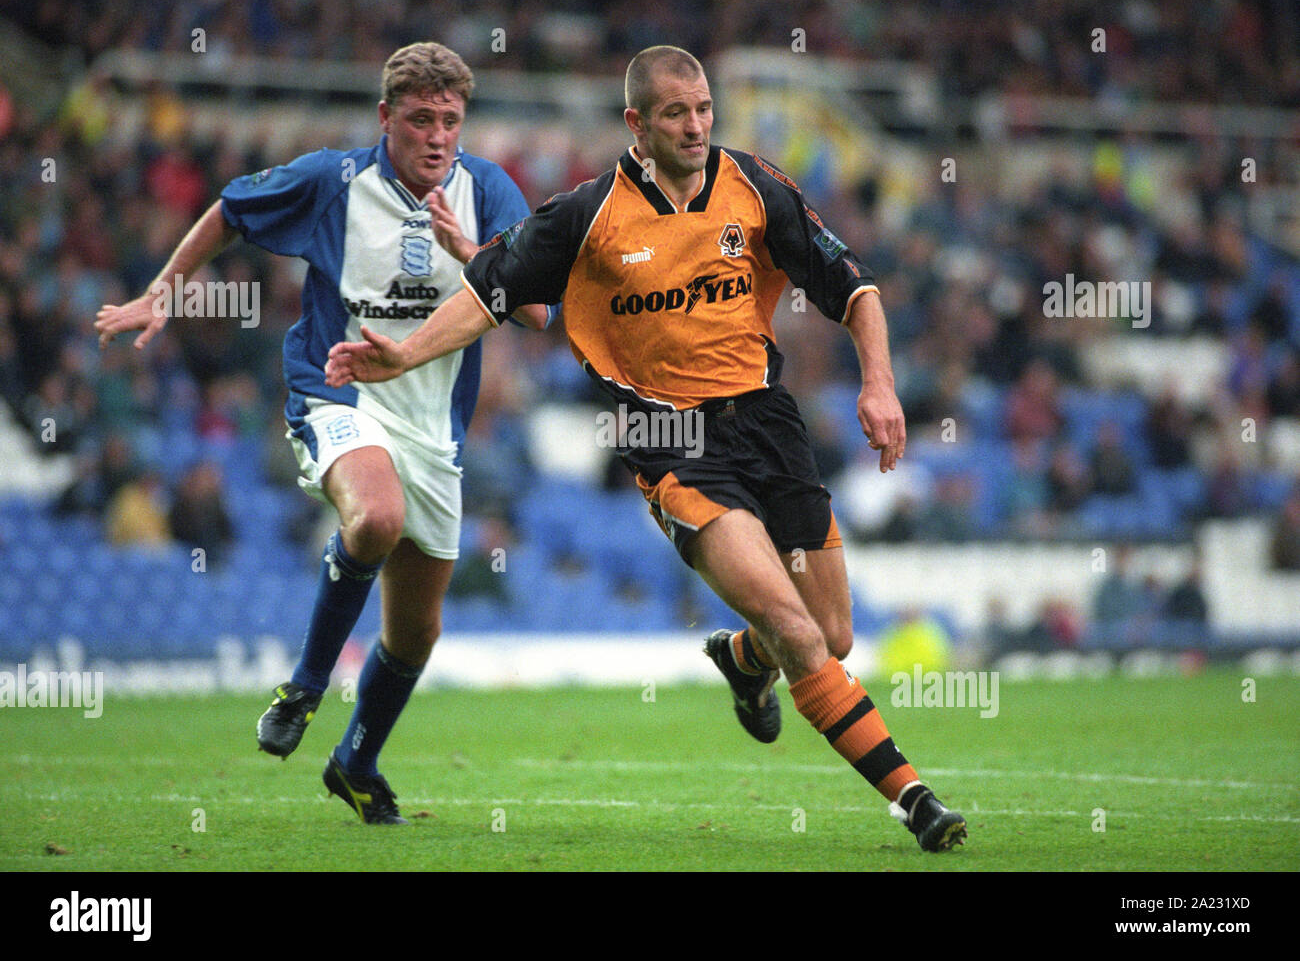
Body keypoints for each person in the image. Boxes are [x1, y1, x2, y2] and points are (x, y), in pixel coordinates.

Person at [325, 45, 967, 851]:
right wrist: (405, 352)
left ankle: (742, 659)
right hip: (671, 442)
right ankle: (915, 801)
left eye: (702, 108)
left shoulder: (757, 187)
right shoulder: (585, 216)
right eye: (675, 112)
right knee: (800, 636)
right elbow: (489, 295)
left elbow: (855, 288)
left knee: (830, 634)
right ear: (637, 124)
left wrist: (878, 382)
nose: (695, 125)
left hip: (769, 425)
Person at [95, 42, 547, 825]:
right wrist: (161, 292)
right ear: (385, 118)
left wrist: (467, 252)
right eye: (419, 121)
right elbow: (232, 210)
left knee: (415, 634)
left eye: (450, 121)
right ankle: (304, 687)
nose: (437, 137)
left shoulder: (489, 190)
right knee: (374, 516)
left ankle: (355, 763)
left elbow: (538, 311)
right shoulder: (332, 181)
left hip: (434, 428)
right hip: (337, 393)